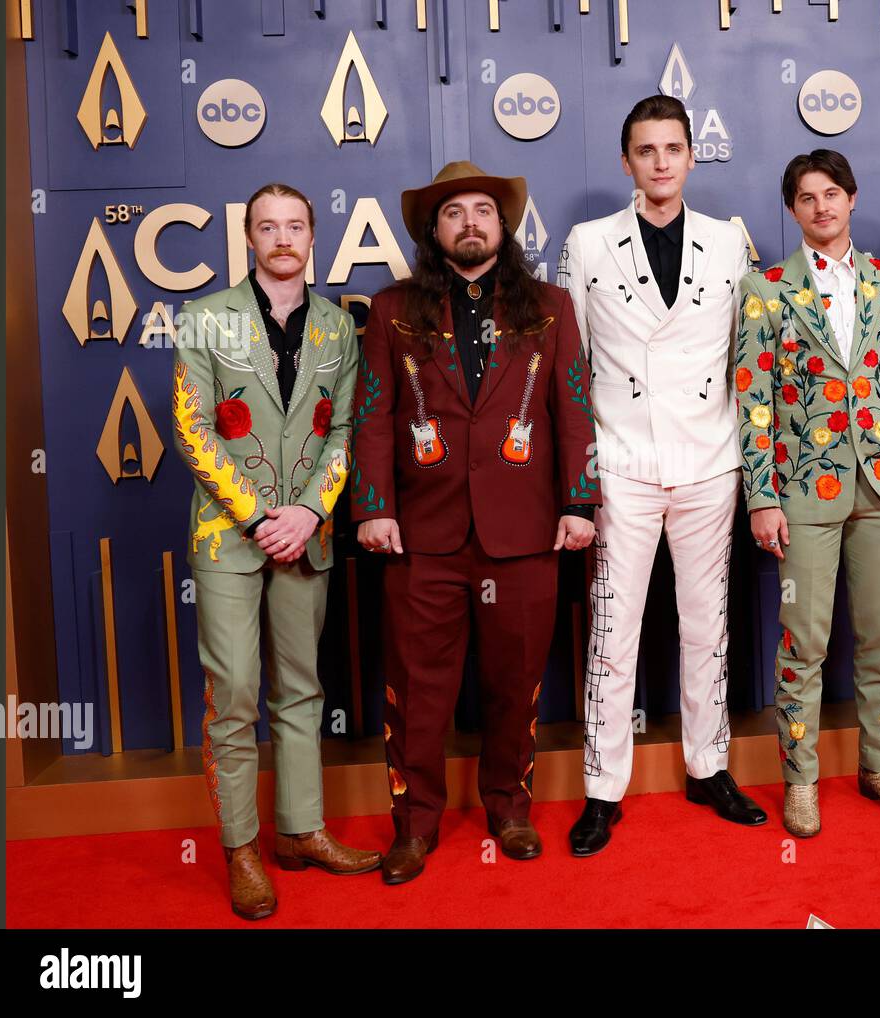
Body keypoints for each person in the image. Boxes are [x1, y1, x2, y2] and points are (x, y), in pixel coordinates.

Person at [350, 162, 599, 883]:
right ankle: (414, 824)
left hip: (523, 534)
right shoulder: (392, 307)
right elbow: (372, 418)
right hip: (419, 540)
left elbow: (574, 410)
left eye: (482, 210)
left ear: (503, 225)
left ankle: (509, 809)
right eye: (453, 211)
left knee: (514, 680)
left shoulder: (549, 306)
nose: (469, 222)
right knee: (416, 689)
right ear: (434, 230)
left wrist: (579, 503)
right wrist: (373, 507)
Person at [557, 95, 765, 857]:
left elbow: (746, 359)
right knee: (613, 635)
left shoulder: (727, 243)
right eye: (646, 151)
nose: (661, 162)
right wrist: (580, 478)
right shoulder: (587, 243)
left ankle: (709, 768)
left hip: (711, 460)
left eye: (673, 148)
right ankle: (602, 791)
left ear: (690, 155)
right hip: (622, 466)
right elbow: (571, 372)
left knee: (707, 627)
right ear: (627, 161)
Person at [172, 182, 380, 920]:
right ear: (249, 239)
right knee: (232, 696)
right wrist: (263, 515)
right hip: (229, 536)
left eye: (295, 226)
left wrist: (309, 510)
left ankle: (303, 830)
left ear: (312, 237)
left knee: (301, 690)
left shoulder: (337, 328)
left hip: (308, 535)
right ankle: (240, 849)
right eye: (268, 227)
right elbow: (193, 431)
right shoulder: (204, 319)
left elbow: (343, 433)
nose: (282, 237)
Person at [735, 149, 880, 836]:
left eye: (833, 194)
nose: (822, 207)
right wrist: (761, 496)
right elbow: (752, 399)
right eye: (807, 197)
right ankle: (802, 780)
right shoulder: (766, 288)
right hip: (801, 494)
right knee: (803, 644)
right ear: (793, 209)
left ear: (851, 199)